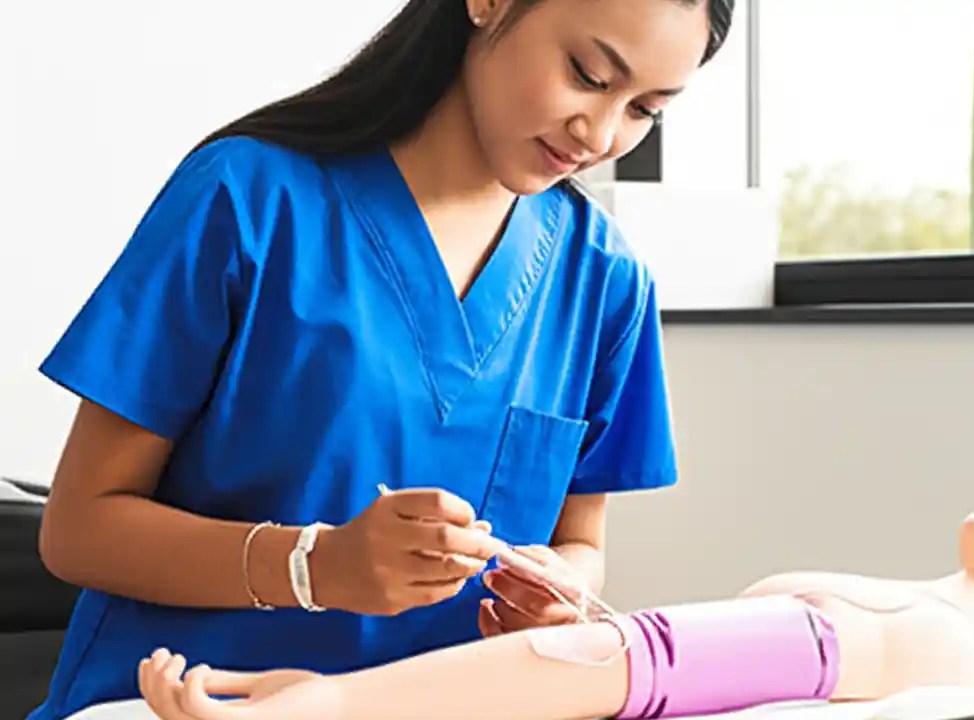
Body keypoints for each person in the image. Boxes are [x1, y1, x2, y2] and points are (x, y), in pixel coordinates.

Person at [30, 0, 736, 717]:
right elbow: (80, 530)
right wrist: (314, 567)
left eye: (646, 109)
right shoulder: (248, 200)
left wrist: (557, 599)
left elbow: (578, 542)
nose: (601, 132)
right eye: (586, 75)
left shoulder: (605, 281)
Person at [131, 486, 974, 719]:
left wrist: (344, 711)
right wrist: (579, 624)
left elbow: (656, 665)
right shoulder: (912, 620)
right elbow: (659, 665)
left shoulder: (935, 642)